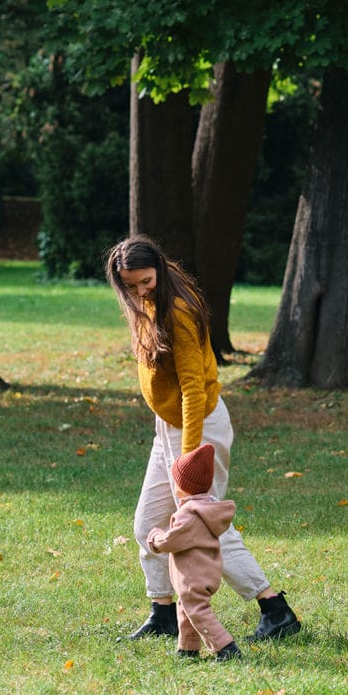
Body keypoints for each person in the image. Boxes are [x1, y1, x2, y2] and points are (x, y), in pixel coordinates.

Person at [106, 235, 302, 644]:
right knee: (147, 524)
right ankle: (163, 612)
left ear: (159, 269)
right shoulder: (149, 304)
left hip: (198, 428)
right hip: (170, 428)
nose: (140, 291)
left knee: (204, 526)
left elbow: (194, 390)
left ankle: (274, 610)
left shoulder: (177, 308)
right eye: (131, 285)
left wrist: (188, 457)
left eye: (146, 282)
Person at [145, 442, 241, 661]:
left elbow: (172, 540)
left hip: (192, 575)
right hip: (205, 569)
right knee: (186, 609)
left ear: (182, 487)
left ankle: (225, 647)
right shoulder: (207, 508)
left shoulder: (189, 514)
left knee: (198, 612)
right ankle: (187, 649)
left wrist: (155, 538)